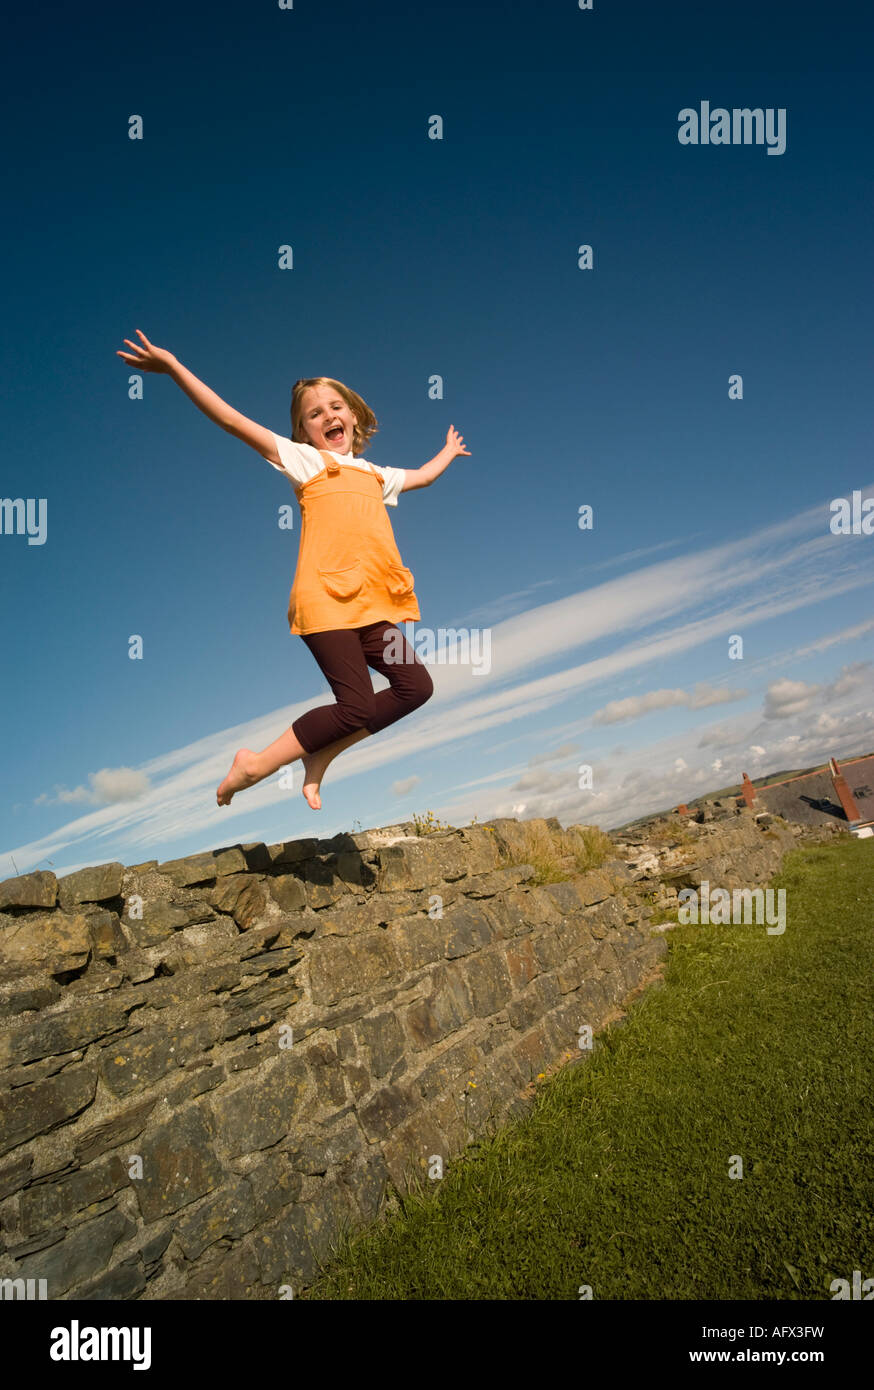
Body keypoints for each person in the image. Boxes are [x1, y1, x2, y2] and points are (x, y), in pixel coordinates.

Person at [115, 330, 471, 810]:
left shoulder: (377, 475)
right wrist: (175, 367)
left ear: (353, 414)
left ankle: (322, 756)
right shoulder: (305, 461)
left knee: (415, 687)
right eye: (314, 413)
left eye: (335, 406)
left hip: (371, 605)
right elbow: (230, 419)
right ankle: (256, 763)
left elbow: (422, 476)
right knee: (357, 704)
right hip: (325, 600)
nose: (328, 416)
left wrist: (447, 452)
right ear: (303, 432)